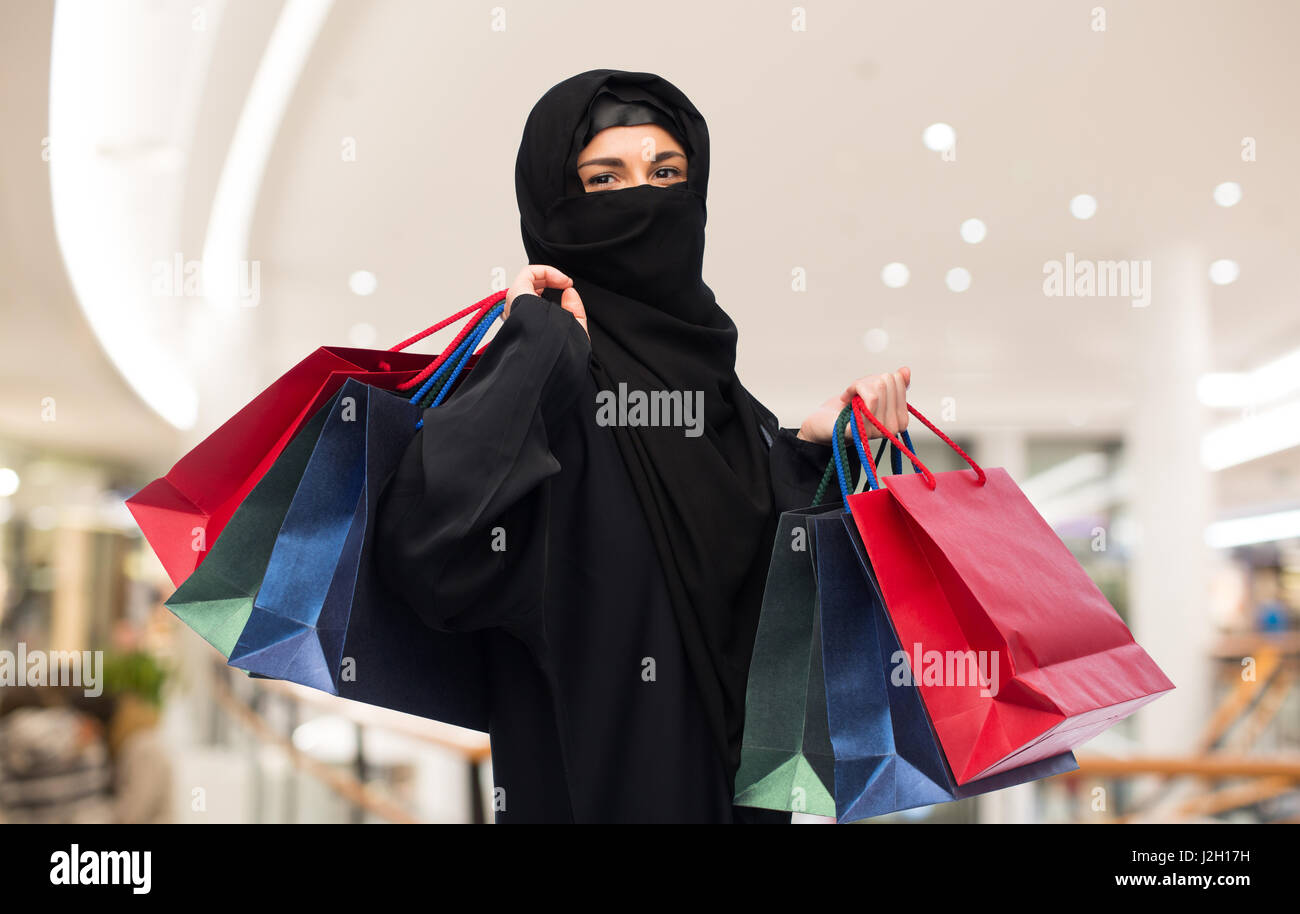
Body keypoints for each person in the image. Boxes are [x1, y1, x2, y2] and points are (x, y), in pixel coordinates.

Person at [374, 69, 911, 823]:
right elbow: (429, 554)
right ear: (553, 204)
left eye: (666, 173)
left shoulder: (724, 401)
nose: (643, 198)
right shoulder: (541, 381)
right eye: (604, 179)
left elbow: (775, 620)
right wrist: (535, 357)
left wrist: (814, 457)